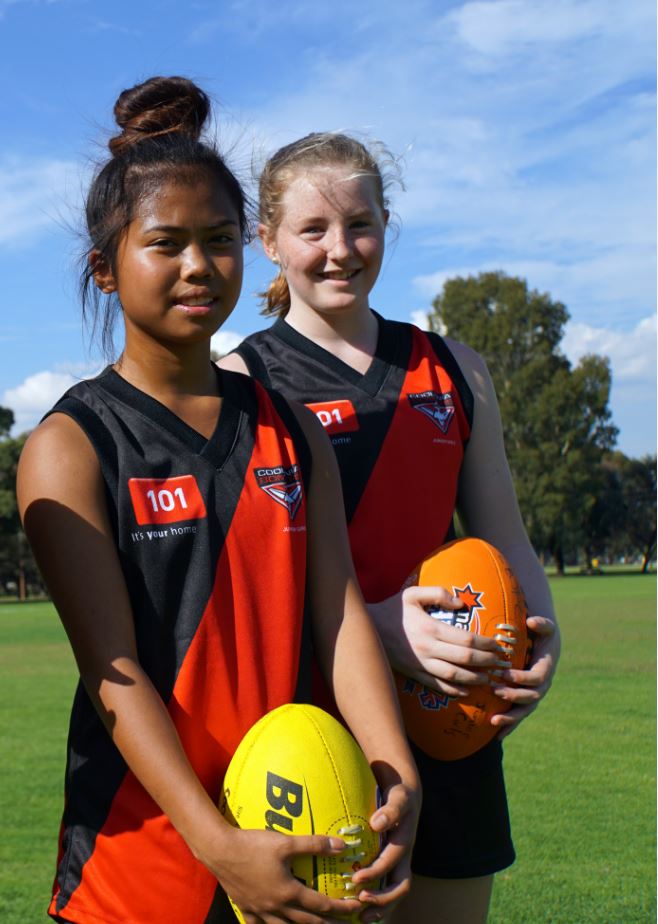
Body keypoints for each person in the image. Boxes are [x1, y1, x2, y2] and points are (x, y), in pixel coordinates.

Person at [17, 77, 419, 924]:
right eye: (166, 243)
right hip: (142, 859)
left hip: (300, 831)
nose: (199, 265)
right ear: (104, 267)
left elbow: (339, 616)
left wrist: (392, 768)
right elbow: (114, 677)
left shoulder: (290, 427)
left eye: (221, 240)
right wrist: (214, 841)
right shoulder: (70, 446)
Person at [218, 132, 560, 924]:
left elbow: (505, 538)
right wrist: (376, 632)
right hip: (315, 735)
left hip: (453, 719)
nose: (340, 250)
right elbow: (249, 588)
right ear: (268, 241)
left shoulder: (457, 368)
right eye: (313, 230)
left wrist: (542, 643)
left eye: (361, 225)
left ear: (386, 225)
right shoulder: (239, 382)